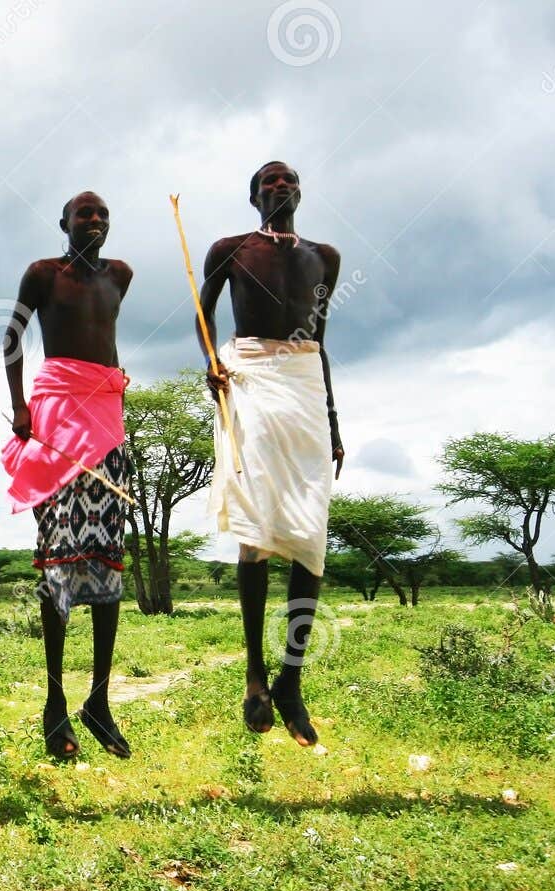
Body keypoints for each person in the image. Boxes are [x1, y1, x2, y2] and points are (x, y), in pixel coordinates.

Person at [198, 161, 344, 747]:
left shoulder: (324, 257)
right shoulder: (230, 248)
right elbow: (203, 312)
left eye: (287, 180)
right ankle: (254, 673)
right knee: (256, 529)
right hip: (251, 376)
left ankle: (291, 678)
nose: (279, 186)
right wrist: (212, 362)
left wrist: (333, 420)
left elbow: (322, 340)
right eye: (268, 181)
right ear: (254, 195)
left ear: (300, 191)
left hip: (305, 383)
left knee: (312, 537)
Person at [0, 191, 135, 761]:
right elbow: (11, 338)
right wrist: (21, 407)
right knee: (57, 560)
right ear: (65, 223)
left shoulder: (121, 275)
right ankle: (55, 705)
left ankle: (98, 702)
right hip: (55, 418)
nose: (96, 221)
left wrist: (110, 384)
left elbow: (106, 342)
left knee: (108, 556)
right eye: (85, 214)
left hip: (106, 420)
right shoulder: (42, 274)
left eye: (103, 214)